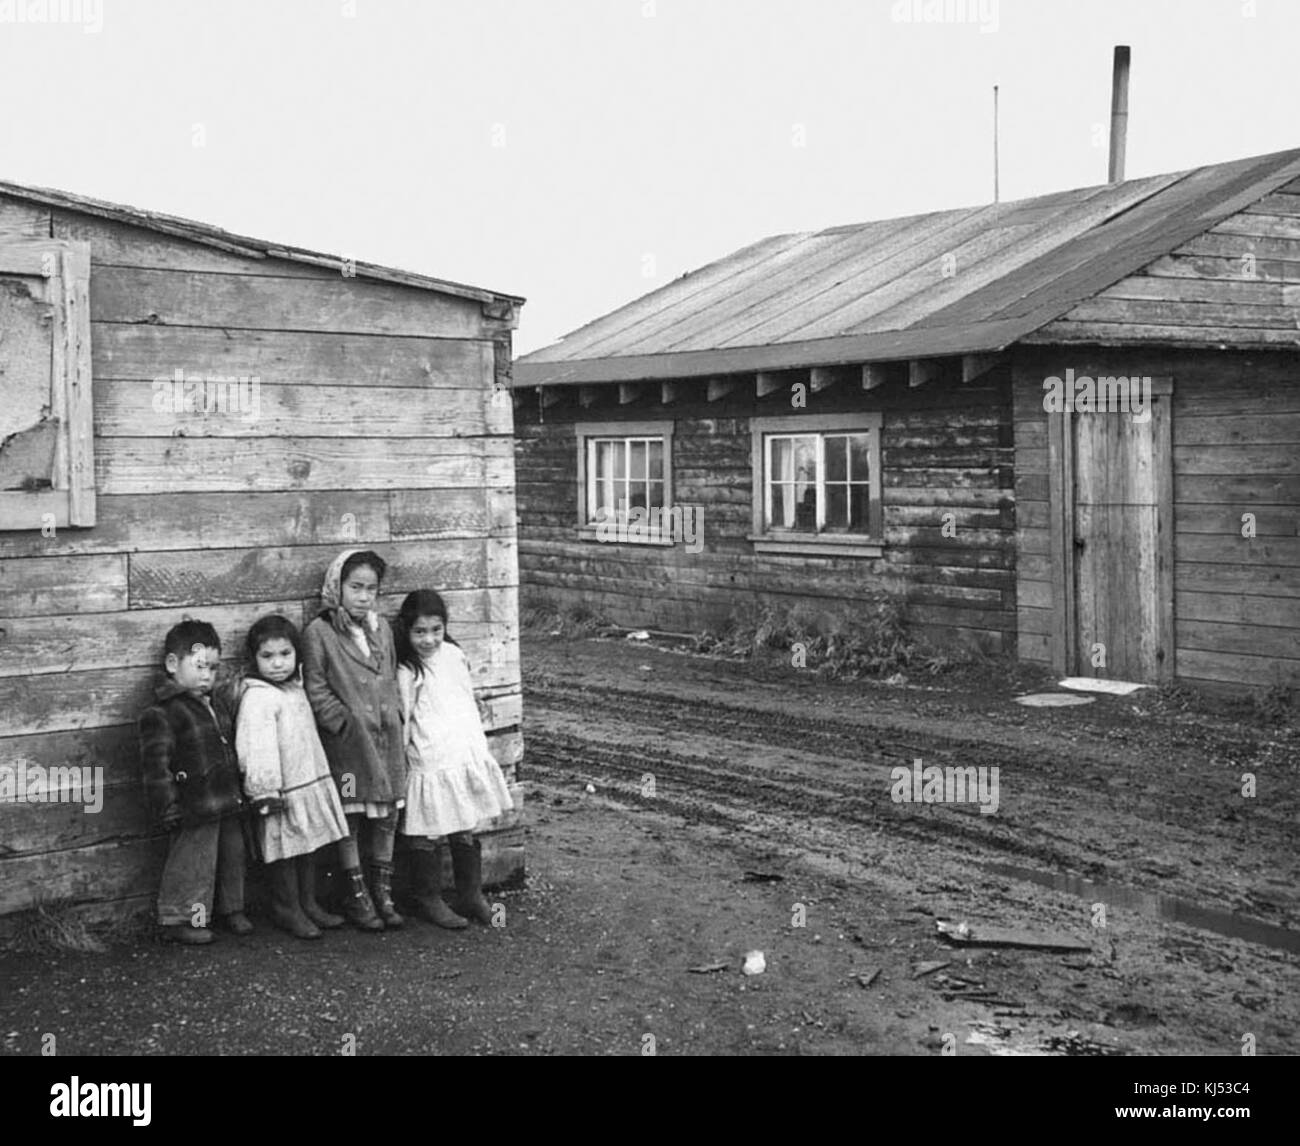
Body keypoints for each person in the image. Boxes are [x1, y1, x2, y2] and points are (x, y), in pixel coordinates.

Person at [394, 589, 514, 926]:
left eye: (436, 630)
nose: (429, 639)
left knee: (464, 821)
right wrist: (402, 760)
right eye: (420, 632)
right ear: (406, 630)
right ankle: (428, 897)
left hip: (459, 748)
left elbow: (465, 698)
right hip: (428, 755)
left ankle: (470, 895)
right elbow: (404, 717)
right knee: (425, 825)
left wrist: (475, 743)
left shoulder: (454, 655)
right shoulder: (407, 670)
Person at [302, 549, 406, 930]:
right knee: (352, 813)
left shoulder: (382, 629)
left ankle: (383, 890)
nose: (363, 596)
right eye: (355, 587)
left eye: (371, 589)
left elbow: (391, 674)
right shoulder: (320, 632)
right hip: (349, 745)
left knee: (387, 815)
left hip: (387, 739)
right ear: (337, 587)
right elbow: (315, 687)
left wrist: (393, 714)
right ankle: (356, 892)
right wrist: (344, 722)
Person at [236, 614, 350, 940]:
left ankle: (308, 901)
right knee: (285, 849)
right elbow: (256, 747)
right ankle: (287, 907)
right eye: (267, 656)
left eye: (285, 654)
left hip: (307, 780)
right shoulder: (258, 697)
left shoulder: (296, 690)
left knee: (308, 843)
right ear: (253, 659)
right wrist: (265, 789)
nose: (277, 664)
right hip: (281, 790)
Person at [139, 619, 247, 945]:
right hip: (194, 805)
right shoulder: (162, 713)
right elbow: (155, 766)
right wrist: (167, 805)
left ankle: (233, 909)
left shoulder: (216, 705)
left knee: (233, 855)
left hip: (226, 797)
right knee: (195, 865)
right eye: (199, 666)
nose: (207, 676)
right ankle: (185, 918)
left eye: (213, 669)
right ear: (173, 664)